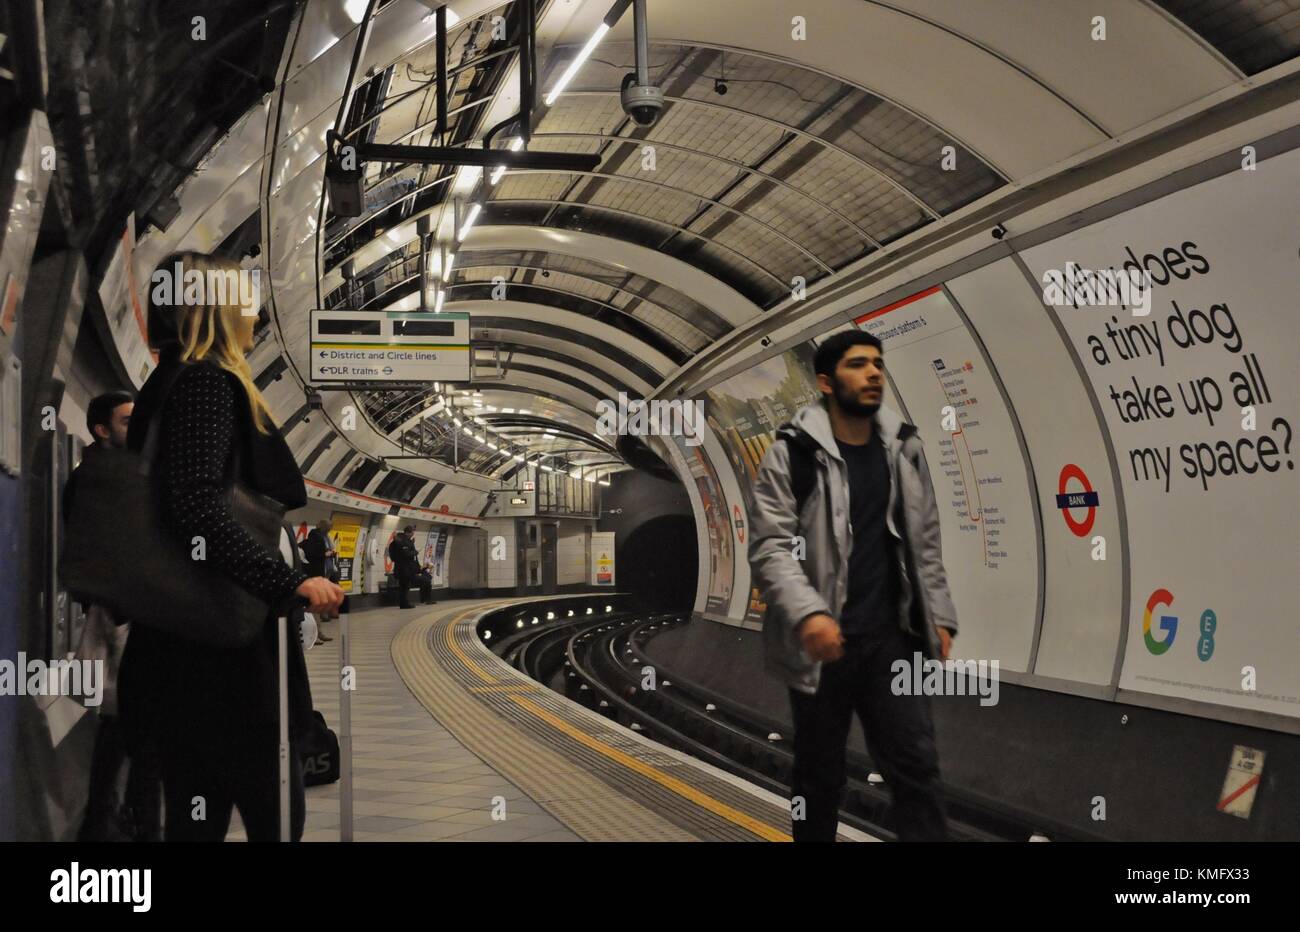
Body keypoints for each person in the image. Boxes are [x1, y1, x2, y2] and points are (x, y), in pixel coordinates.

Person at [118, 251, 344, 842]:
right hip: (222, 651)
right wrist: (286, 580)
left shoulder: (165, 385)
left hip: (184, 644)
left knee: (199, 813)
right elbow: (193, 503)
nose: (256, 309)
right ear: (214, 307)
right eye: (244, 297)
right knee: (271, 811)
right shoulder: (205, 385)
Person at [748, 330, 958, 842]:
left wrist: (941, 616)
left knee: (917, 768)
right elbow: (771, 547)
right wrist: (809, 614)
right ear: (825, 381)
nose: (873, 374)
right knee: (819, 777)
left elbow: (923, 540)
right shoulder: (792, 455)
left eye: (878, 365)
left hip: (892, 639)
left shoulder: (903, 450)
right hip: (824, 645)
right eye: (858, 365)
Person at [68, 391, 164, 842]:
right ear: (102, 430)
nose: (137, 428)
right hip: (121, 620)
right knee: (139, 732)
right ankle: (137, 825)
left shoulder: (122, 477)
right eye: (127, 421)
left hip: (127, 618)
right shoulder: (94, 482)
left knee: (123, 727)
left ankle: (107, 818)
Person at [298, 520, 335, 641]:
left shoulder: (309, 540)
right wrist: (326, 554)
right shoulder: (319, 540)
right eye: (329, 528)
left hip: (312, 576)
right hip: (316, 576)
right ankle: (316, 635)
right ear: (325, 528)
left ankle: (317, 634)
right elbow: (316, 556)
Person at [387, 526, 421, 609]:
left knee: (403, 586)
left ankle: (403, 603)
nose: (413, 534)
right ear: (409, 532)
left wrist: (411, 544)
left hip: (400, 567)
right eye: (412, 532)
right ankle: (404, 604)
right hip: (405, 568)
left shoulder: (400, 540)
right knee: (404, 586)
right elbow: (406, 554)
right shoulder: (404, 541)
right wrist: (415, 552)